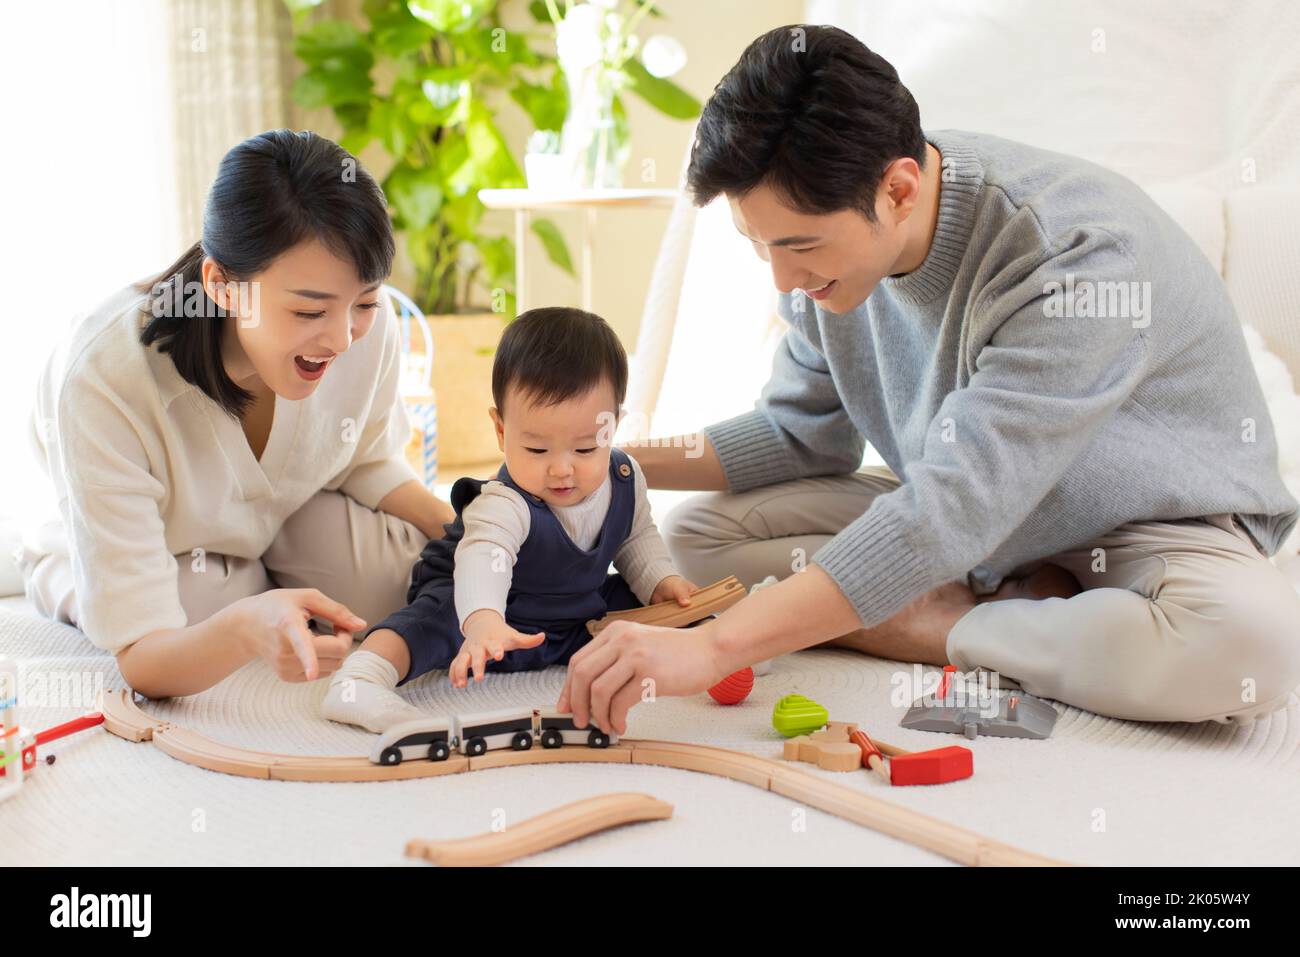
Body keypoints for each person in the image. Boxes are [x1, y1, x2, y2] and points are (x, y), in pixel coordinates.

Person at [556, 24, 1300, 736]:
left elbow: (952, 504)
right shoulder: (825, 270)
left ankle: (944, 623)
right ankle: (1011, 612)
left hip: (1143, 530)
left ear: (900, 191)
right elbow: (798, 432)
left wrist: (716, 648)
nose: (783, 278)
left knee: (1254, 645)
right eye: (759, 245)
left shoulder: (1073, 256)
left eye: (800, 245)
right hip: (980, 527)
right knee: (698, 535)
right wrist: (608, 457)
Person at [18, 129, 454, 699]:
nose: (344, 338)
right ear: (223, 286)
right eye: (308, 311)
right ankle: (63, 564)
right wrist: (246, 630)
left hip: (286, 513)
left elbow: (365, 459)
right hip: (173, 544)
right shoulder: (105, 380)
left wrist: (464, 529)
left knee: (394, 589)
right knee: (197, 617)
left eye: (366, 303)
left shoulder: (360, 327)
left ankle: (262, 578)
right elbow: (145, 662)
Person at [323, 307, 696, 733]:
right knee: (429, 623)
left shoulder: (624, 479)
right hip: (486, 611)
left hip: (573, 616)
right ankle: (360, 679)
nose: (561, 469)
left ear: (613, 428)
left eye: (586, 449)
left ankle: (707, 639)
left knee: (646, 608)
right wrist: (483, 621)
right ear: (501, 431)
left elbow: (635, 537)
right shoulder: (504, 503)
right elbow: (485, 556)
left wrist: (660, 579)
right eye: (537, 450)